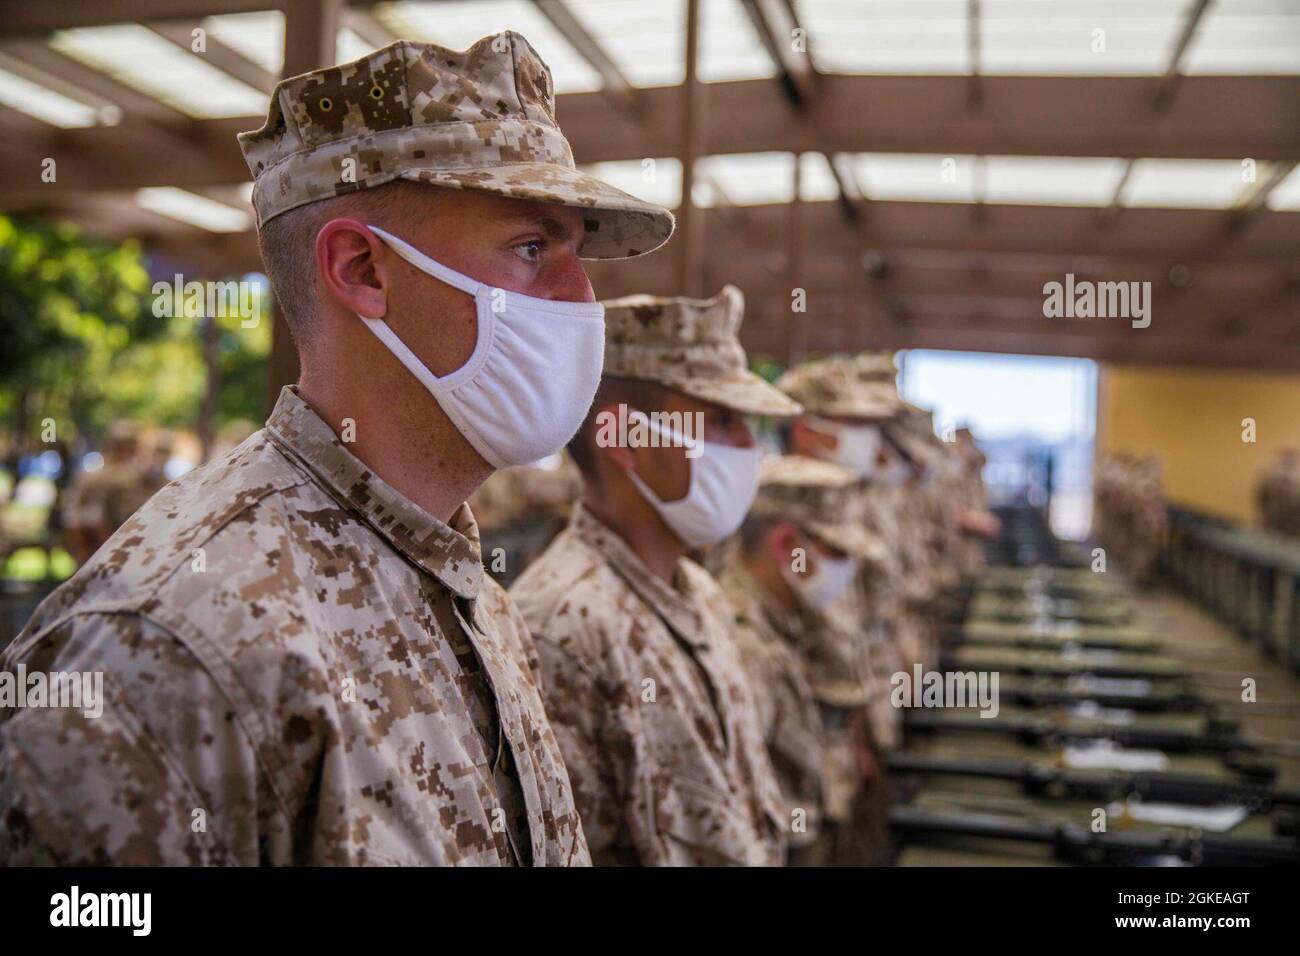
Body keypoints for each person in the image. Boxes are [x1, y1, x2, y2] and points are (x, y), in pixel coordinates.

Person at [0, 32, 673, 866]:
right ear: (363, 269)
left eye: (578, 255)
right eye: (534, 250)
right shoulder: (173, 644)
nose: (584, 300)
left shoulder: (456, 576)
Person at [510, 285, 796, 865]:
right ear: (623, 440)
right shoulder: (561, 628)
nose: (747, 448)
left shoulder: (700, 594)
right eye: (720, 420)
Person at [716, 454, 886, 864]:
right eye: (837, 553)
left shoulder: (785, 613)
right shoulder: (741, 642)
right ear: (787, 546)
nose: (847, 569)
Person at [60, 420, 153, 566]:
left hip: (132, 546)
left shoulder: (141, 476)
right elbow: (74, 513)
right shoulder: (94, 475)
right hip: (98, 547)